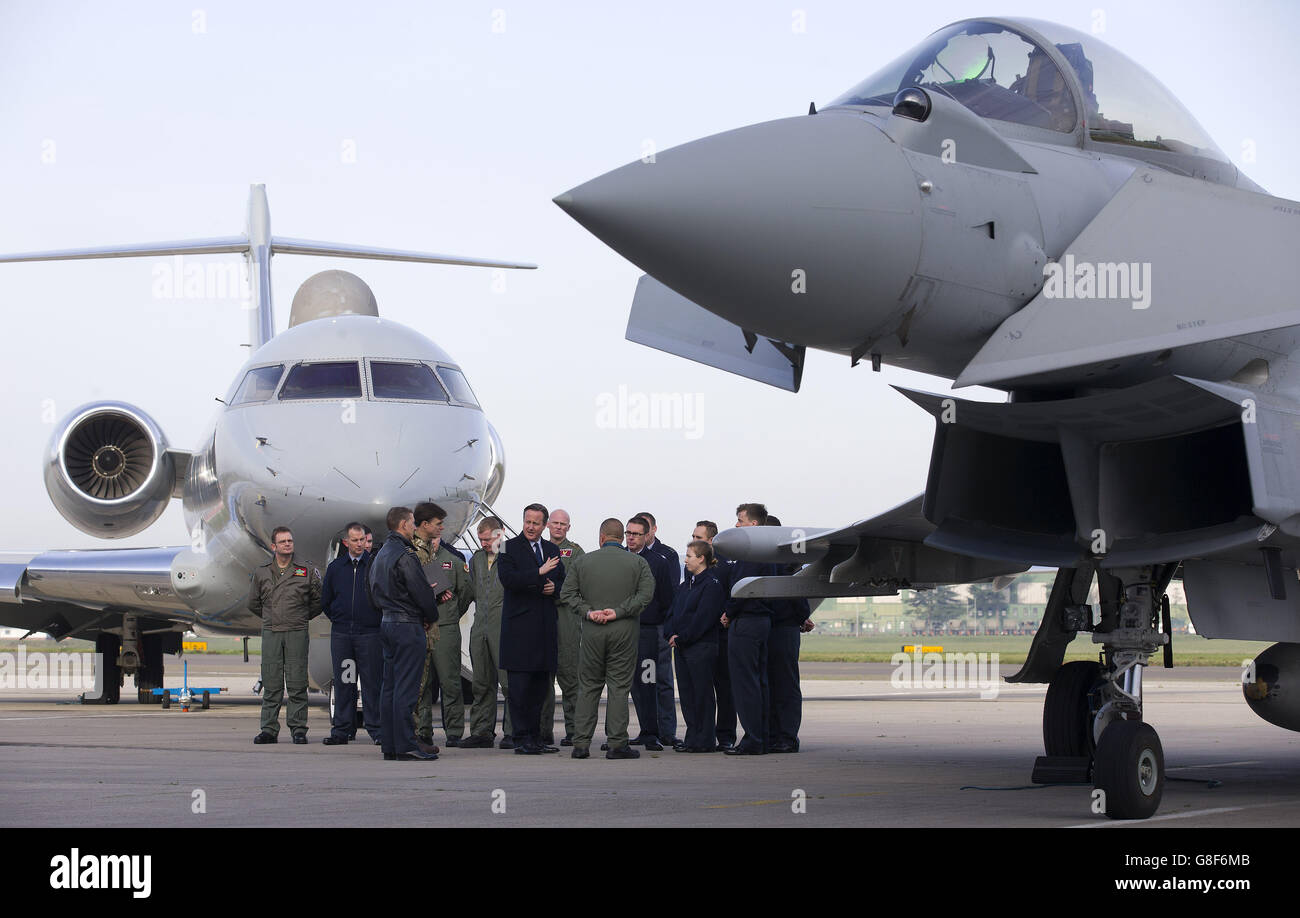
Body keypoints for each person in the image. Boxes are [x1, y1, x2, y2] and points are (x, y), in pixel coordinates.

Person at [559, 518, 655, 759]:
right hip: (623, 629)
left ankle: (580, 744)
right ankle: (617, 743)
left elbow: (567, 593)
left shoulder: (582, 561)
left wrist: (588, 611)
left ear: (601, 537)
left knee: (589, 687)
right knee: (619, 687)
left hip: (592, 629)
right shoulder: (638, 562)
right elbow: (646, 594)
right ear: (621, 537)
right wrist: (620, 611)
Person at [369, 506, 439, 761]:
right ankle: (407, 744)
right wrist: (430, 615)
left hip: (387, 622)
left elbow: (373, 590)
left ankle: (390, 744)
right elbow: (421, 593)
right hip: (407, 625)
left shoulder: (381, 554)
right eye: (412, 522)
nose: (414, 526)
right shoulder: (405, 554)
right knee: (407, 689)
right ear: (403, 525)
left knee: (390, 687)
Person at [497, 503, 566, 755]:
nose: (530, 526)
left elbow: (562, 580)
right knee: (519, 689)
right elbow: (508, 579)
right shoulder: (507, 546)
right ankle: (521, 737)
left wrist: (553, 589)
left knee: (539, 688)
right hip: (518, 631)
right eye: (527, 521)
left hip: (544, 629)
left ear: (544, 525)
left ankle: (536, 738)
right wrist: (538, 573)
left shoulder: (551, 549)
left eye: (536, 523)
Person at [248, 527, 322, 745]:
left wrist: (298, 616)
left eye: (290, 540)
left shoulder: (306, 571)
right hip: (272, 632)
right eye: (283, 542)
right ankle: (268, 729)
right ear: (274, 547)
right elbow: (253, 602)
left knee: (297, 682)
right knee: (271, 682)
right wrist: (272, 617)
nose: (288, 544)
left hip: (296, 631)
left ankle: (298, 729)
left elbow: (318, 600)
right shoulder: (262, 572)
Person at [411, 502, 472, 748]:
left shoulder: (453, 560)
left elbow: (466, 592)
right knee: (422, 684)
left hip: (445, 627)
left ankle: (454, 730)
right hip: (421, 627)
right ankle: (423, 729)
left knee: (450, 682)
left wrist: (452, 613)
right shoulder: (415, 556)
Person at [321, 522, 382, 746]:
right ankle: (342, 729)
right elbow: (326, 601)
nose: (359, 544)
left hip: (369, 635)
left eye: (362, 540)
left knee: (371, 683)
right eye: (355, 541)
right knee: (345, 682)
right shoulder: (336, 568)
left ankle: (376, 729)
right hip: (343, 636)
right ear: (346, 542)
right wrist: (340, 619)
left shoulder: (374, 566)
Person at [723, 502, 777, 755]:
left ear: (753, 524)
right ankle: (762, 737)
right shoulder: (768, 553)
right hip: (762, 622)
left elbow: (742, 589)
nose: (737, 525)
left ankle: (752, 739)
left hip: (746, 622)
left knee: (745, 684)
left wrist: (728, 613)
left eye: (741, 520)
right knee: (760, 683)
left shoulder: (750, 555)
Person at [664, 540, 725, 752]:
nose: (686, 560)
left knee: (702, 694)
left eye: (689, 556)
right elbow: (672, 612)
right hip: (682, 648)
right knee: (688, 695)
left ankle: (705, 739)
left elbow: (704, 619)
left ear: (701, 559)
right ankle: (692, 737)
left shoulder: (712, 585)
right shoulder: (685, 585)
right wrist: (670, 633)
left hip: (701, 648)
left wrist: (682, 637)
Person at [763, 516, 814, 752]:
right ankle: (775, 734)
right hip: (771, 627)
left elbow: (798, 597)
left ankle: (786, 737)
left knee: (784, 684)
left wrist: (799, 618)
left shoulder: (786, 562)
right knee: (772, 685)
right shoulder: (775, 560)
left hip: (783, 629)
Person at [625, 515, 675, 750]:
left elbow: (667, 598)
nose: (631, 538)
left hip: (649, 632)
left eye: (636, 534)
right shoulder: (620, 559)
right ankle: (626, 732)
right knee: (628, 683)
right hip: (623, 631)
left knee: (649, 680)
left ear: (646, 536)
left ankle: (652, 732)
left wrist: (663, 629)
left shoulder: (659, 561)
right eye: (628, 533)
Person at [462, 516, 511, 748]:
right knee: (481, 682)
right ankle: (482, 731)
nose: (482, 543)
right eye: (480, 539)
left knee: (509, 682)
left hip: (505, 627)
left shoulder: (512, 556)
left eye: (486, 539)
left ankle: (513, 731)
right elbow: (471, 591)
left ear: (499, 533)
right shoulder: (477, 560)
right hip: (480, 627)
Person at [637, 511, 679, 745]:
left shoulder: (667, 556)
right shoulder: (629, 554)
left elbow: (669, 593)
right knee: (642, 681)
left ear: (653, 530)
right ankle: (647, 729)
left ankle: (667, 730)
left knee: (661, 680)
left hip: (658, 629)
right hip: (638, 630)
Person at [694, 519, 736, 751]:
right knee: (702, 689)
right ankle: (703, 735)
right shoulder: (694, 566)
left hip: (722, 634)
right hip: (701, 636)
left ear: (711, 541)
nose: (694, 541)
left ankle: (726, 735)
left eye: (699, 538)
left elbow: (733, 595)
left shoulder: (726, 566)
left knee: (725, 687)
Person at [546, 509, 585, 745]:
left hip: (568, 619)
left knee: (570, 677)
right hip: (543, 616)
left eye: (563, 524)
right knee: (543, 680)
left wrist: (555, 591)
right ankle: (543, 731)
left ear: (568, 527)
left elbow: (576, 585)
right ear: (548, 524)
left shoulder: (576, 552)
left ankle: (574, 730)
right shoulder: (539, 549)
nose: (559, 527)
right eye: (555, 523)